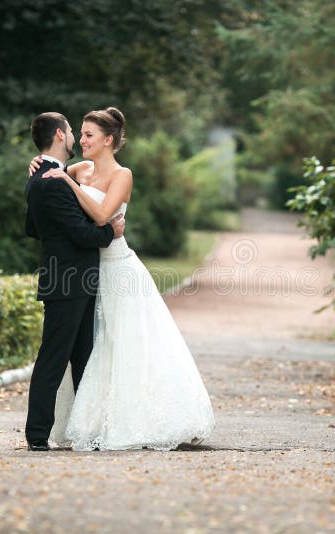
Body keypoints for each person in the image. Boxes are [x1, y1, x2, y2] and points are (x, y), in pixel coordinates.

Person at [29, 107, 215, 451]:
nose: (81, 140)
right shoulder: (81, 168)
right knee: (95, 351)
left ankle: (138, 418)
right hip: (85, 271)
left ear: (108, 140)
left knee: (124, 346)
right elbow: (51, 178)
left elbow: (101, 215)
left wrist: (67, 180)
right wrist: (42, 166)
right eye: (79, 133)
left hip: (116, 268)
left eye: (88, 135)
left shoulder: (122, 175)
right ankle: (91, 422)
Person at [23, 111, 125, 452]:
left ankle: (87, 428)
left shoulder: (43, 175)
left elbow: (34, 228)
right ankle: (37, 434)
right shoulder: (51, 180)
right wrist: (110, 230)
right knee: (54, 357)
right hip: (67, 281)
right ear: (58, 134)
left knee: (84, 359)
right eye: (72, 132)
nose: (76, 138)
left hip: (78, 281)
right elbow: (84, 234)